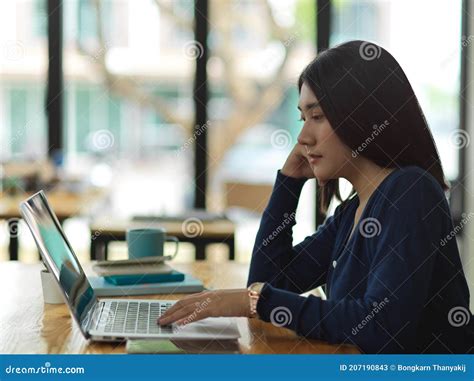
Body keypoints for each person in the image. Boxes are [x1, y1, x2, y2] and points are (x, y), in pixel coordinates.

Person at [159, 40, 474, 353]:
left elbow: (382, 328)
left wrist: (256, 300)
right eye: (302, 118)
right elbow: (269, 281)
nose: (303, 137)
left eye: (317, 116)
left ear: (361, 115)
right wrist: (288, 184)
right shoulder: (352, 212)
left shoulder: (410, 192)